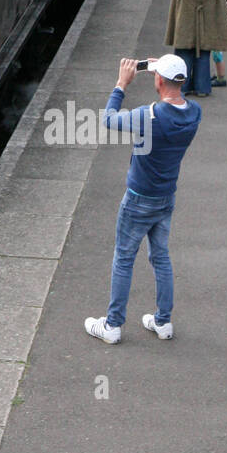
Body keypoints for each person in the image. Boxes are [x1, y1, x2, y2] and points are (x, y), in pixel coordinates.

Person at [84, 55, 202, 344]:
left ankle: (112, 326)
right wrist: (159, 69)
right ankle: (163, 322)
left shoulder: (149, 116)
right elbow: (177, 95)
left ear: (159, 80)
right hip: (166, 196)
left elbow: (108, 120)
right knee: (160, 257)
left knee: (124, 258)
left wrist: (121, 84)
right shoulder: (195, 112)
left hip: (138, 198)